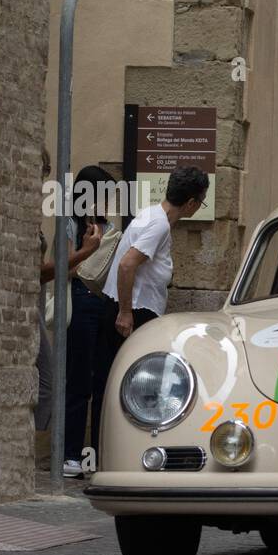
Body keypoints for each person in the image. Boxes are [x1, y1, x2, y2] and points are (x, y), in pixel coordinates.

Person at [92, 167, 209, 444]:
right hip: (133, 314)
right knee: (126, 387)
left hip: (129, 310)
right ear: (191, 203)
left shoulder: (151, 215)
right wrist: (125, 312)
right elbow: (127, 264)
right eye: (200, 202)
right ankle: (110, 449)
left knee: (112, 384)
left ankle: (104, 448)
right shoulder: (158, 224)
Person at [61, 166, 116, 476]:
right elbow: (63, 268)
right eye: (103, 194)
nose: (107, 201)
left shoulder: (108, 227)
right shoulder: (69, 224)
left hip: (104, 303)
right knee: (79, 380)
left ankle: (94, 455)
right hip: (80, 299)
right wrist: (88, 249)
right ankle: (69, 454)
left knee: (102, 382)